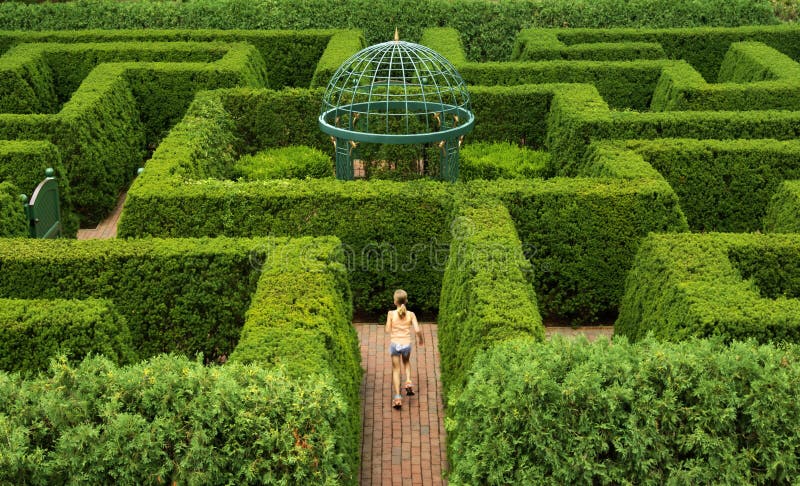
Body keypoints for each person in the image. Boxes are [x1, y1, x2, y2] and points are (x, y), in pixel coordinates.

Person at [385, 289, 423, 409]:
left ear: (395, 301)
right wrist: (420, 339)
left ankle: (397, 397)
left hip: (395, 344)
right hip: (406, 344)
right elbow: (417, 330)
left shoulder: (391, 314)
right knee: (406, 363)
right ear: (406, 301)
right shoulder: (411, 314)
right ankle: (408, 381)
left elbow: (387, 330)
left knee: (396, 370)